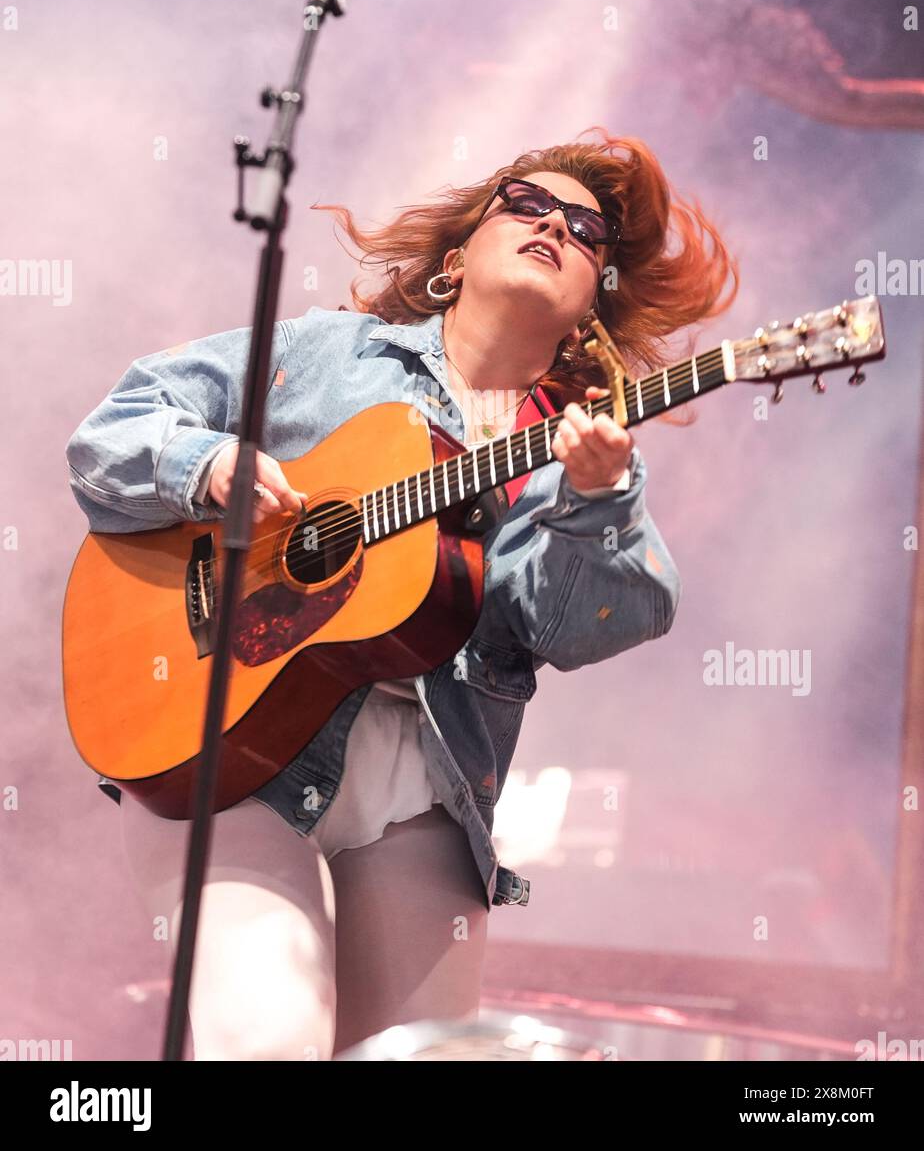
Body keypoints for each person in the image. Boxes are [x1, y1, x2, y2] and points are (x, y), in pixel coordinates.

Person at [65, 128, 737, 1060]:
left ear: (591, 307)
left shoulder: (580, 456)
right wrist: (211, 464)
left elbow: (586, 625)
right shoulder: (328, 351)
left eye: (587, 233)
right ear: (456, 261)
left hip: (427, 786)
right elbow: (109, 432)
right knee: (267, 1038)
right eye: (527, 205)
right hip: (231, 745)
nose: (556, 227)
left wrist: (597, 501)